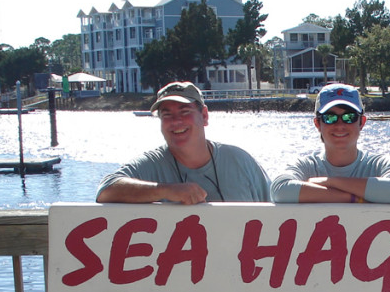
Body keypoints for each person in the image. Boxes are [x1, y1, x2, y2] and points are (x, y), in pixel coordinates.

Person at [96, 81, 270, 204]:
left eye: (185, 111)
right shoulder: (151, 164)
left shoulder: (240, 160)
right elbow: (105, 190)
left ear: (204, 116)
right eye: (167, 114)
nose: (176, 121)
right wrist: (167, 191)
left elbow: (276, 207)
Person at [271, 84, 390, 204]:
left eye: (349, 117)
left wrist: (330, 182)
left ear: (361, 122)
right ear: (317, 123)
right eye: (330, 117)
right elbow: (279, 190)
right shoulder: (306, 166)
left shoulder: (380, 163)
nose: (339, 125)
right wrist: (353, 199)